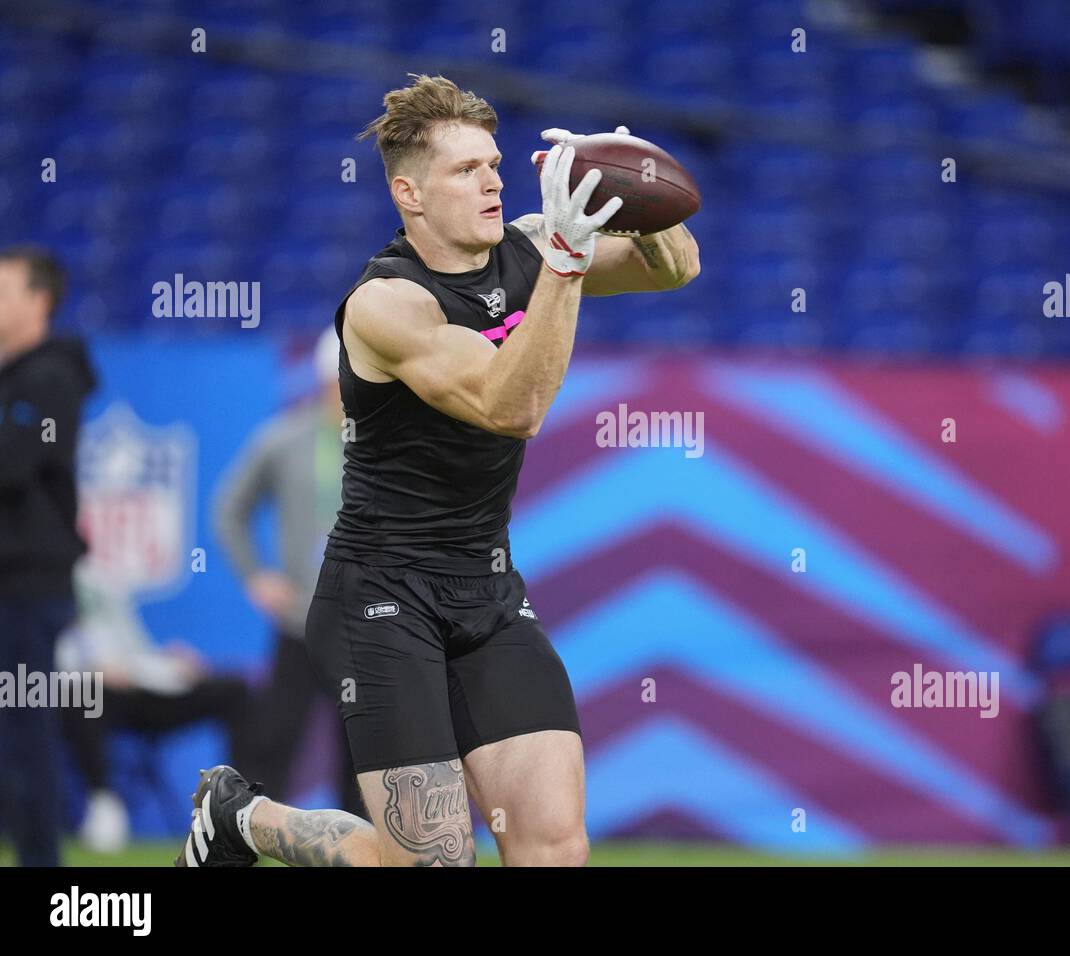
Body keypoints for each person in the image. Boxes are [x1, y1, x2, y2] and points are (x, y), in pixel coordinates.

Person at [175, 73, 699, 868]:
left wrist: (631, 186)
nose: (492, 180)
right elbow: (507, 407)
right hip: (380, 596)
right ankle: (244, 820)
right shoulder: (387, 304)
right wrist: (565, 259)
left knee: (553, 847)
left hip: (487, 588)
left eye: (494, 163)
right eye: (466, 170)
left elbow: (676, 268)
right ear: (409, 194)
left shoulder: (527, 246)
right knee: (430, 863)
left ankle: (239, 818)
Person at [211, 328, 364, 819]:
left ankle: (366, 851)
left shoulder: (383, 443)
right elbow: (230, 507)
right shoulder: (284, 439)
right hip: (300, 620)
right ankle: (241, 833)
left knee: (364, 757)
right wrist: (256, 575)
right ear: (325, 380)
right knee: (272, 744)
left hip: (365, 623)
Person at [0, 245, 98, 866]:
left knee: (23, 738)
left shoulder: (49, 378)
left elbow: (12, 462)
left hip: (27, 589)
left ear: (39, 302)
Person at [57, 559, 255, 853]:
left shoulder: (100, 580)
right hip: (86, 690)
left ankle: (238, 810)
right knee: (86, 694)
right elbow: (39, 658)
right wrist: (89, 669)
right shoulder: (34, 583)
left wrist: (167, 660)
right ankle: (103, 803)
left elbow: (132, 647)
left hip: (142, 686)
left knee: (235, 690)